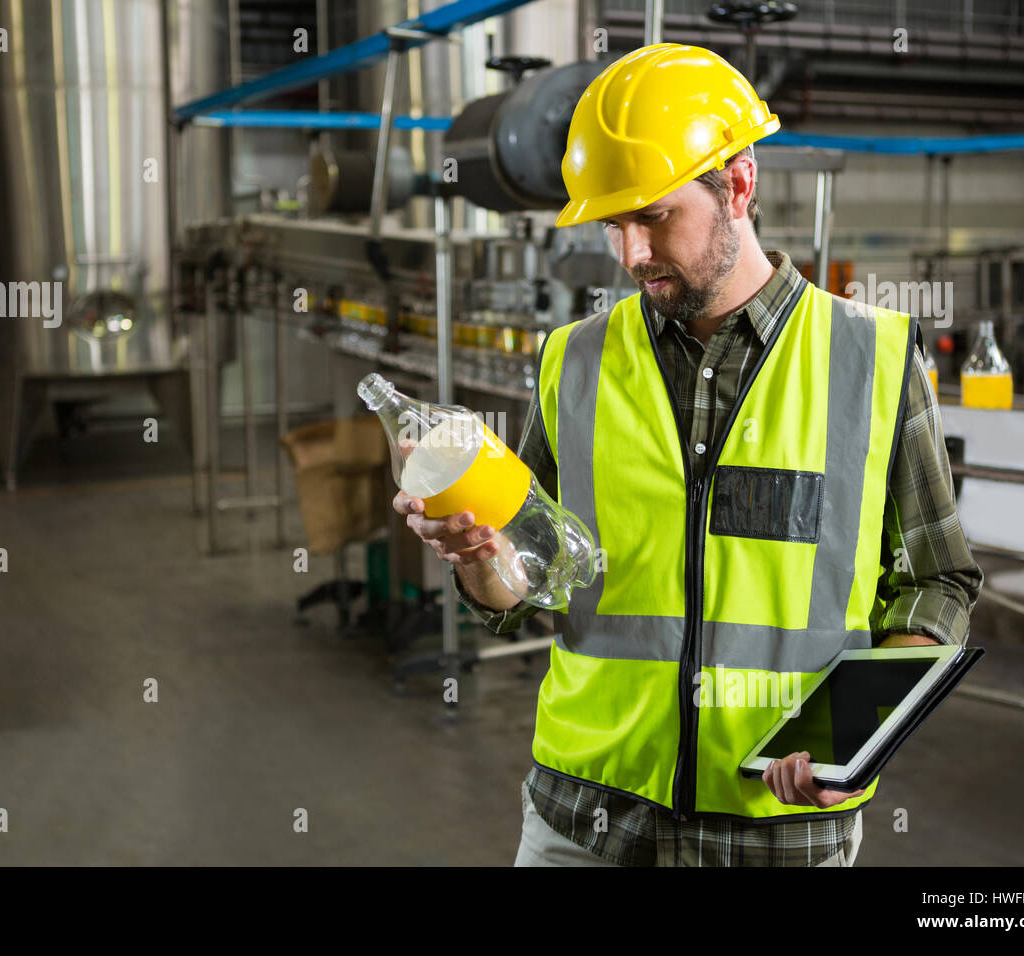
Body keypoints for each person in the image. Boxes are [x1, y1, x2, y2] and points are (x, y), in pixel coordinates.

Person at [394, 43, 982, 867]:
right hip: (581, 820)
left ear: (739, 184)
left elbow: (936, 582)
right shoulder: (575, 358)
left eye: (655, 215)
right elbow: (521, 585)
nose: (631, 253)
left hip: (775, 830)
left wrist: (856, 738)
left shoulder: (874, 360)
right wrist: (476, 558)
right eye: (613, 224)